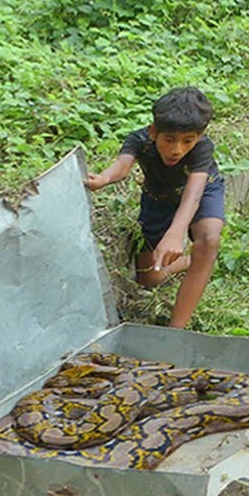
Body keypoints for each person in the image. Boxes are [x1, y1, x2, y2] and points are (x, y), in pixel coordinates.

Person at [85, 87, 225, 329]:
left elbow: (193, 195)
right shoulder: (139, 140)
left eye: (187, 141)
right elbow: (123, 165)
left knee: (209, 240)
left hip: (202, 191)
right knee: (150, 277)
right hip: (159, 198)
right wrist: (104, 178)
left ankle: (175, 330)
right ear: (153, 132)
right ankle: (191, 261)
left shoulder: (202, 147)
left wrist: (175, 234)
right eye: (169, 140)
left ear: (199, 136)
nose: (177, 150)